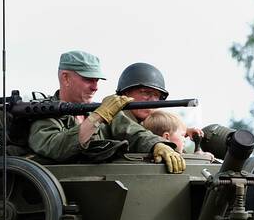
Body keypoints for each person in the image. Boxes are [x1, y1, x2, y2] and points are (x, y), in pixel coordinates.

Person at [27, 51, 185, 173]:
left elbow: (132, 132)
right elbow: (55, 147)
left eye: (97, 80)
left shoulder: (98, 112)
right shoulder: (44, 114)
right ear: (66, 78)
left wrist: (157, 144)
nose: (95, 87)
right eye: (88, 79)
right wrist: (98, 118)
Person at [116, 61, 233, 157]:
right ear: (126, 93)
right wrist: (158, 144)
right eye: (146, 93)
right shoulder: (112, 114)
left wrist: (180, 131)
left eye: (156, 96)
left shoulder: (145, 123)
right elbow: (132, 132)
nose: (151, 100)